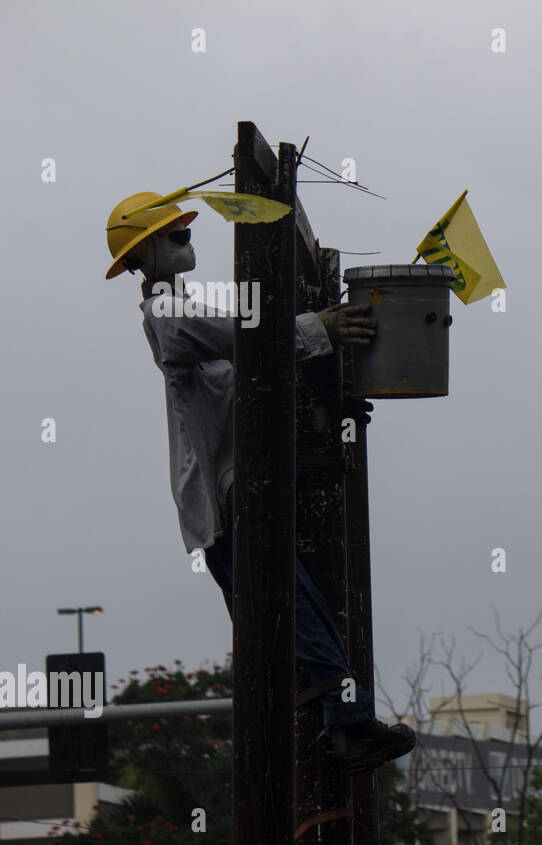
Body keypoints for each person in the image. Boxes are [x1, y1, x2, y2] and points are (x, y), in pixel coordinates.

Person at [105, 191, 414, 776]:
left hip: (239, 489)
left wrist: (328, 394)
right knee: (290, 612)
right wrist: (315, 328)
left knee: (295, 614)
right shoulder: (166, 317)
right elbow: (244, 337)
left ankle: (339, 724)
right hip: (225, 500)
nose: (188, 240)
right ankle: (344, 724)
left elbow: (255, 365)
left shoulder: (193, 318)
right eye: (175, 235)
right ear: (142, 253)